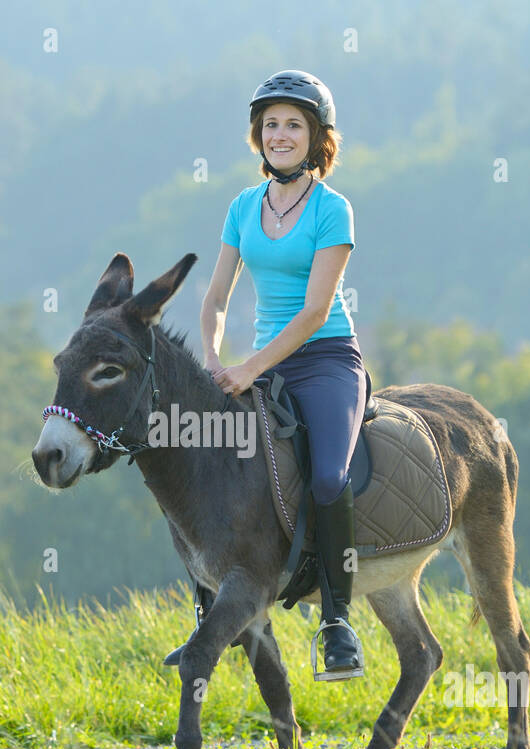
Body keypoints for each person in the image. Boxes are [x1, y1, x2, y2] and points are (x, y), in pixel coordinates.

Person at [163, 69, 366, 680]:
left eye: (293, 125)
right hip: (257, 366)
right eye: (271, 124)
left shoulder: (333, 210)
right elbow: (217, 296)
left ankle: (337, 622)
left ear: (316, 138)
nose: (280, 135)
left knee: (329, 479)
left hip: (325, 359)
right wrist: (211, 358)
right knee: (195, 458)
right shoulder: (241, 208)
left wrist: (251, 366)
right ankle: (209, 609)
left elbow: (314, 311)